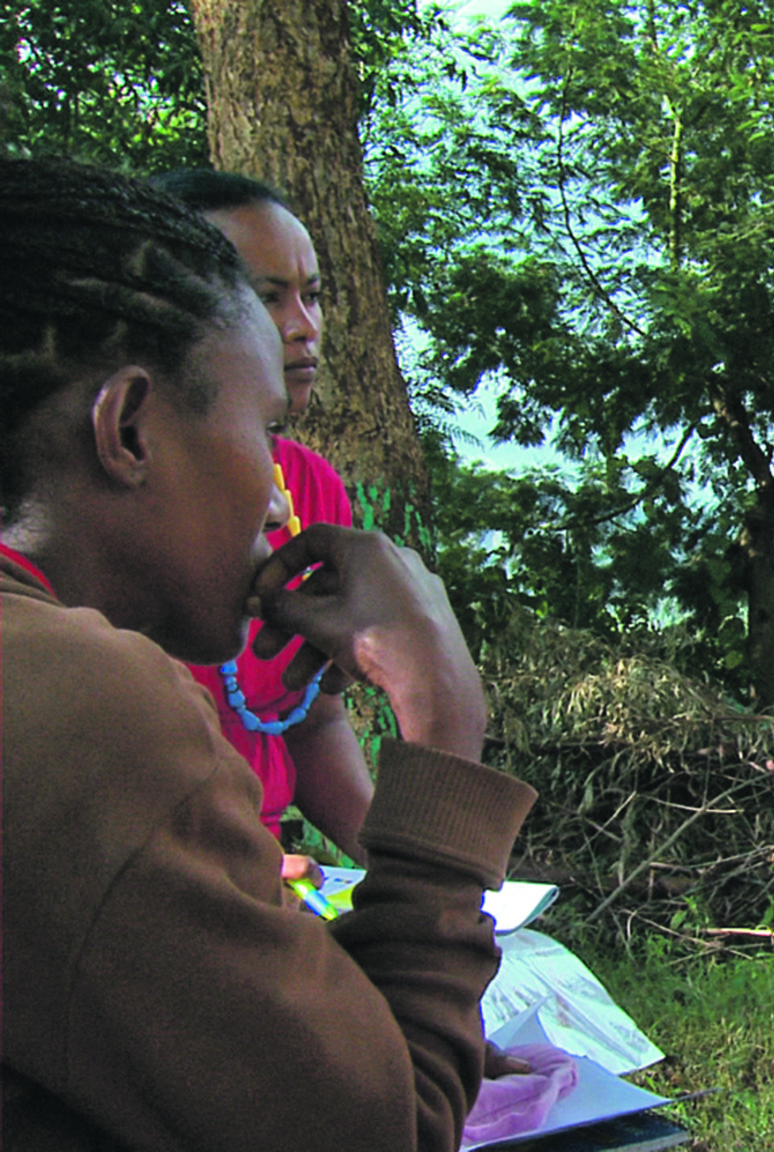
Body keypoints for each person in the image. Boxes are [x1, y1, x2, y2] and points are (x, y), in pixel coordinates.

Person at [1, 157, 536, 1149]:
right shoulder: (77, 706)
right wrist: (445, 728)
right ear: (125, 428)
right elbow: (384, 1133)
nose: (274, 489)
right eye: (258, 427)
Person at [148, 168, 374, 864]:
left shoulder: (310, 487)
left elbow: (310, 721)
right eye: (265, 298)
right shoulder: (117, 503)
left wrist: (404, 874)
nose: (302, 328)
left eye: (312, 296)